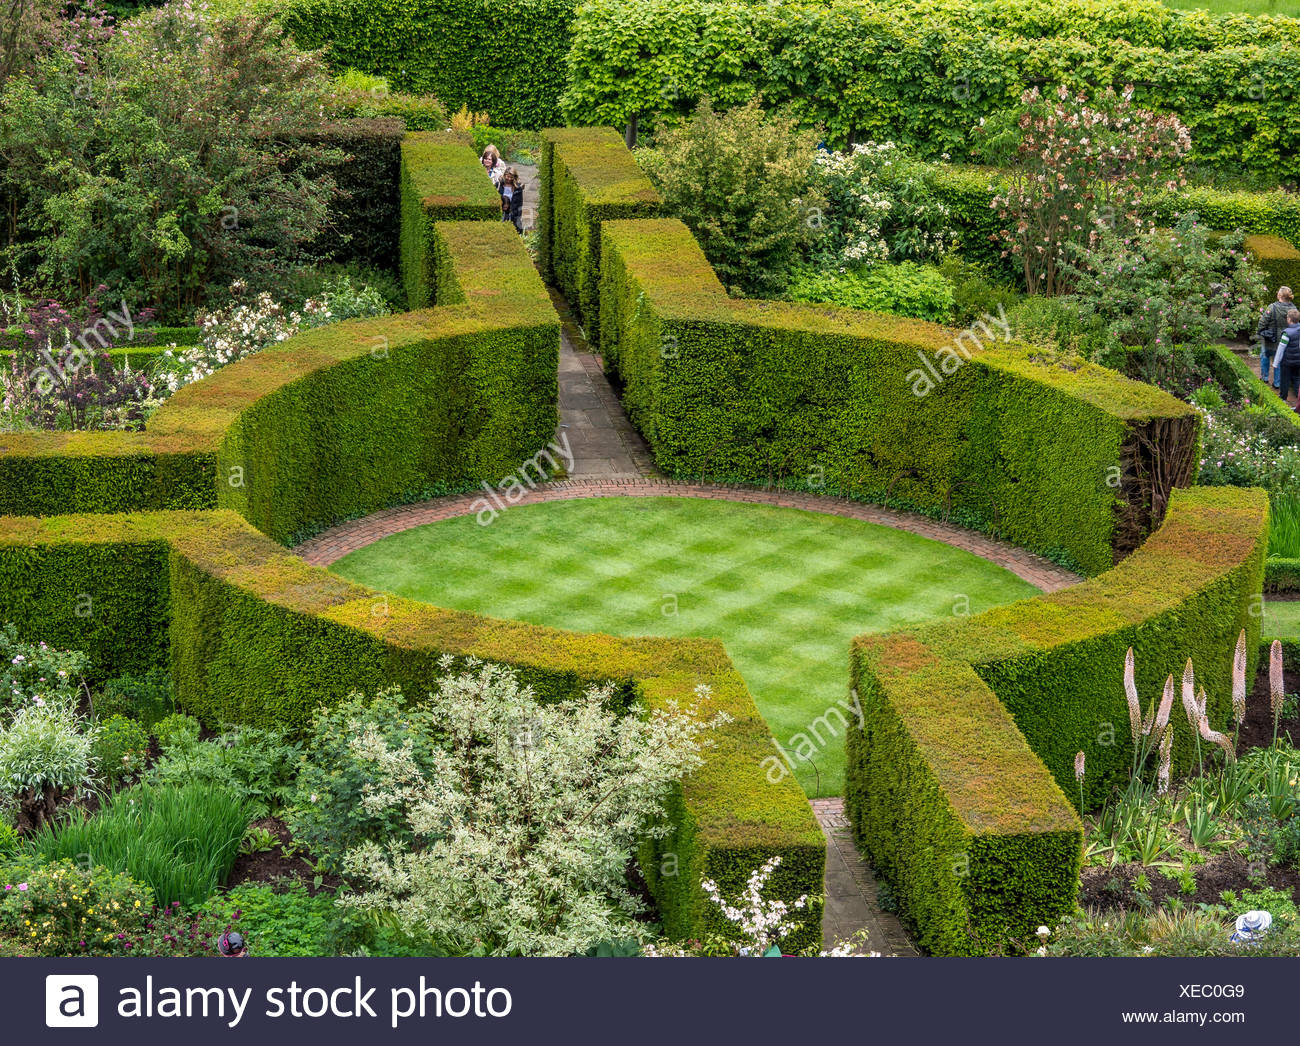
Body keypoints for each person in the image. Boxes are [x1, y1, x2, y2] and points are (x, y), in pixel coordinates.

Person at [1257, 286, 1294, 388]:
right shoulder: (1294, 309)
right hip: (1285, 341)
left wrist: (1260, 331)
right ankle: (1277, 383)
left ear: (1280, 295)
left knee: (1265, 356)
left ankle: (1264, 378)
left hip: (1270, 340)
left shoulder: (1272, 307)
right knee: (1280, 361)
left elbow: (1262, 323)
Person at [498, 166, 524, 233]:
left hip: (512, 213)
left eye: (511, 177)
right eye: (507, 176)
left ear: (514, 177)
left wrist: (518, 217)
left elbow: (519, 203)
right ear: (504, 175)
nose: (509, 179)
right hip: (501, 211)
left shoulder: (518, 188)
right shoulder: (499, 184)